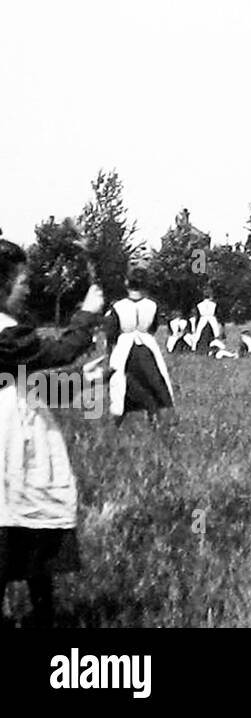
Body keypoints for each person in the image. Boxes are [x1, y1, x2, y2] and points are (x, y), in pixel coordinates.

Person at [0, 239, 104, 628]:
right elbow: (55, 354)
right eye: (23, 279)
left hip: (17, 433)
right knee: (16, 518)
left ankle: (44, 614)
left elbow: (18, 382)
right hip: (9, 441)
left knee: (26, 518)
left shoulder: (8, 334)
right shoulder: (5, 333)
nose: (28, 287)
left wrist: (80, 381)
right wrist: (87, 315)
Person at [103, 266, 175, 426]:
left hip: (124, 349)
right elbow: (153, 328)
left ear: (127, 283)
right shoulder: (152, 305)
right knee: (153, 382)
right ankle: (155, 418)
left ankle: (117, 422)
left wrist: (109, 353)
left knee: (120, 383)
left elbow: (111, 333)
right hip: (147, 348)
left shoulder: (118, 307)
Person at [191, 291, 222, 356]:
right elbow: (217, 313)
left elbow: (197, 315)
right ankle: (218, 344)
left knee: (198, 332)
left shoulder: (199, 304)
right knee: (216, 332)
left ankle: (193, 347)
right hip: (211, 318)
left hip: (203, 318)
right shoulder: (214, 304)